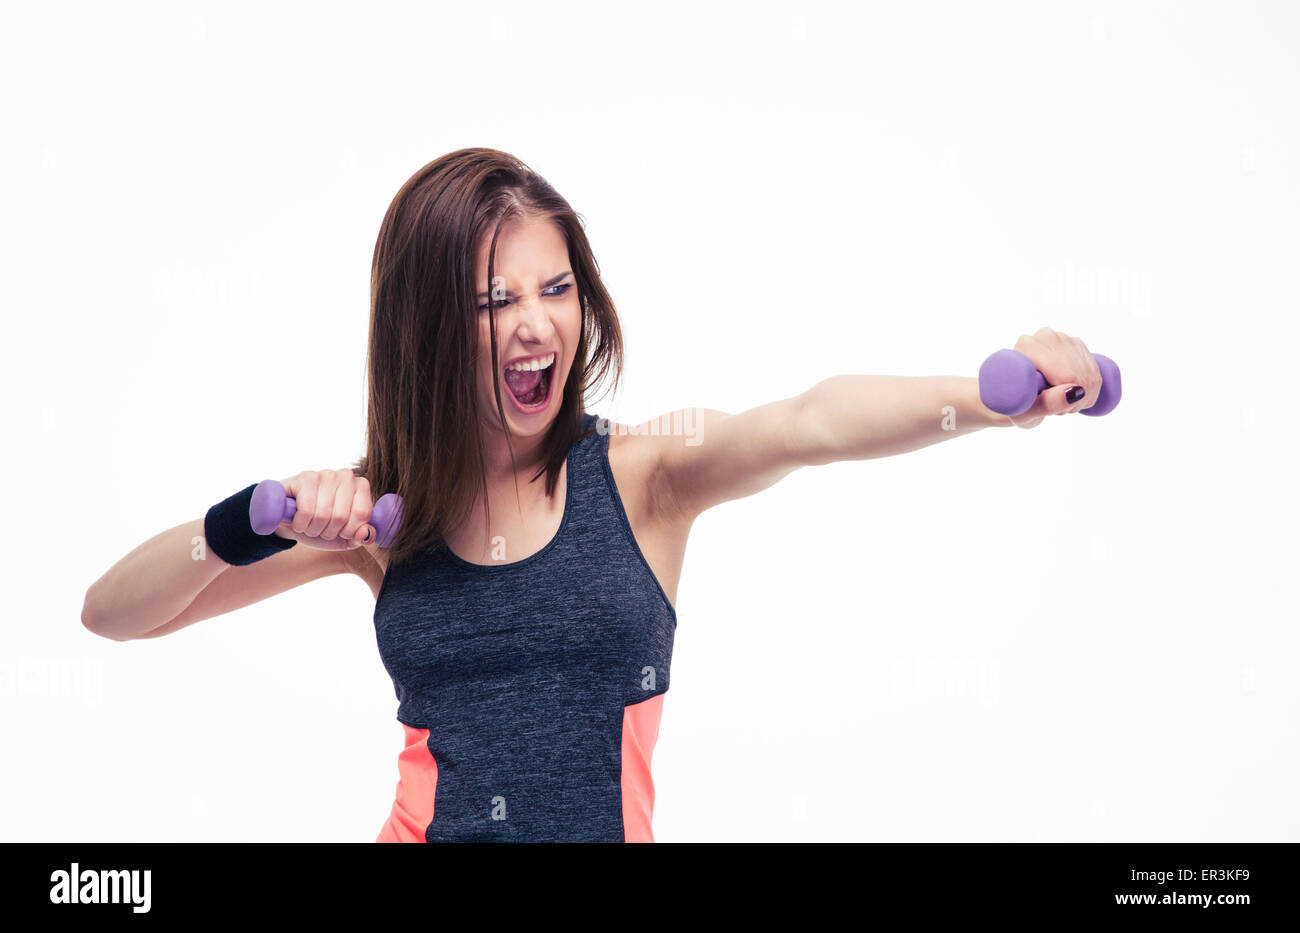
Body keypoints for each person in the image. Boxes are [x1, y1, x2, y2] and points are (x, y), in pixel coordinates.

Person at [80, 147, 1104, 842]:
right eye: (494, 299)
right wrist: (250, 519)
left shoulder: (647, 476)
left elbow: (808, 421)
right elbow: (113, 615)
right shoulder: (381, 521)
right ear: (428, 328)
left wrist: (984, 399)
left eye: (554, 288)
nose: (537, 326)